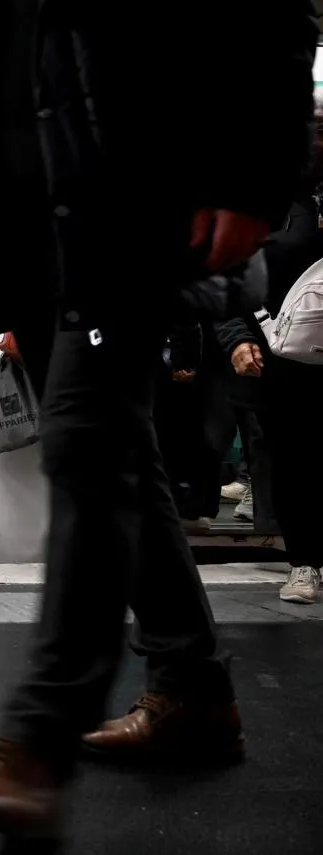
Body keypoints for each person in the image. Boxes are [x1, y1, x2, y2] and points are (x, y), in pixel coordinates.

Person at [0, 3, 317, 840]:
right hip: (32, 235)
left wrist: (253, 177)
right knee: (115, 450)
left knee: (88, 445)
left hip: (130, 208)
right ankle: (193, 691)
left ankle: (35, 739)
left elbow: (274, 17)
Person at [216, 95, 323, 605]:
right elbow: (224, 272)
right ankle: (304, 562)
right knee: (293, 460)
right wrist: (236, 336)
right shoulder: (262, 196)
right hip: (278, 352)